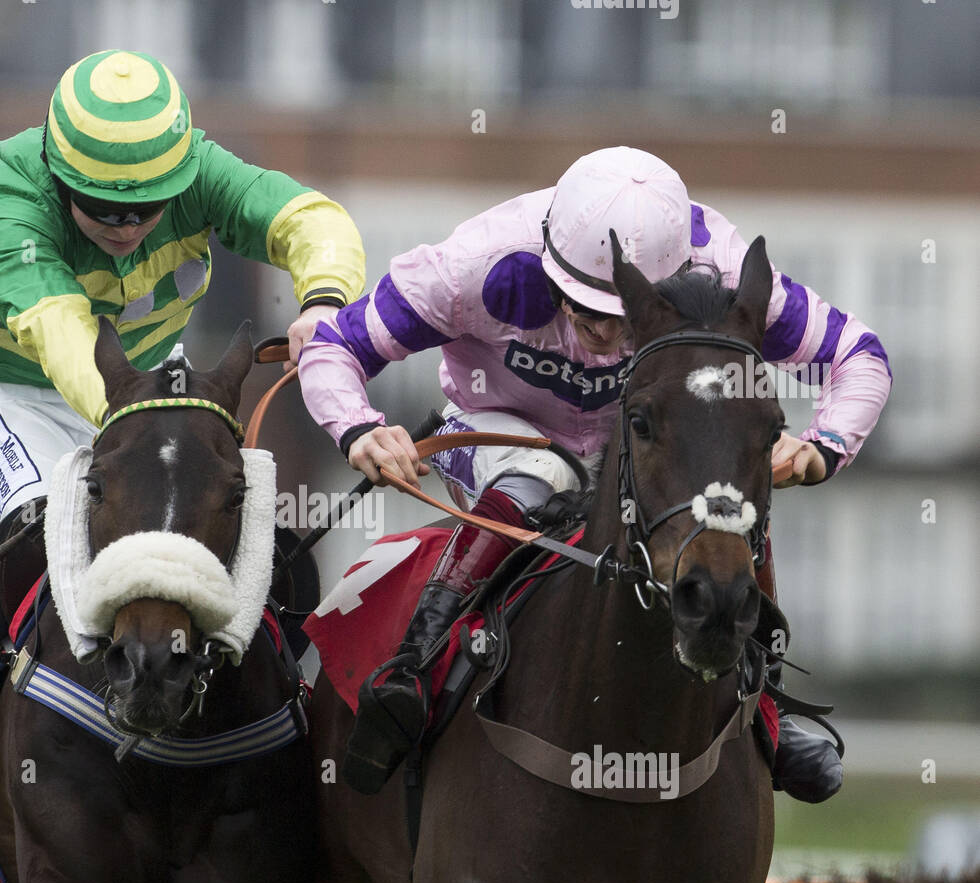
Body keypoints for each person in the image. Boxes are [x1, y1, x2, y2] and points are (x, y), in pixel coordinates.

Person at [0, 49, 366, 827]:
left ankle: (276, 715)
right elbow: (60, 332)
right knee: (37, 532)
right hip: (21, 394)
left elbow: (311, 219)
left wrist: (325, 302)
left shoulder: (199, 167)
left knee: (261, 534)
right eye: (102, 208)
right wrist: (140, 419)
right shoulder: (10, 185)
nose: (126, 226)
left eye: (147, 208)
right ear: (61, 180)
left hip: (151, 390)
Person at [296, 146, 890, 798]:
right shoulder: (473, 265)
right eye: (586, 310)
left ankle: (766, 711)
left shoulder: (720, 269)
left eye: (626, 316)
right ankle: (414, 665)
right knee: (534, 476)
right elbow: (334, 345)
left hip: (641, 442)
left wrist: (824, 444)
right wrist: (358, 427)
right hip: (497, 428)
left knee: (724, 497)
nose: (606, 336)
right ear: (550, 262)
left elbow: (857, 355)